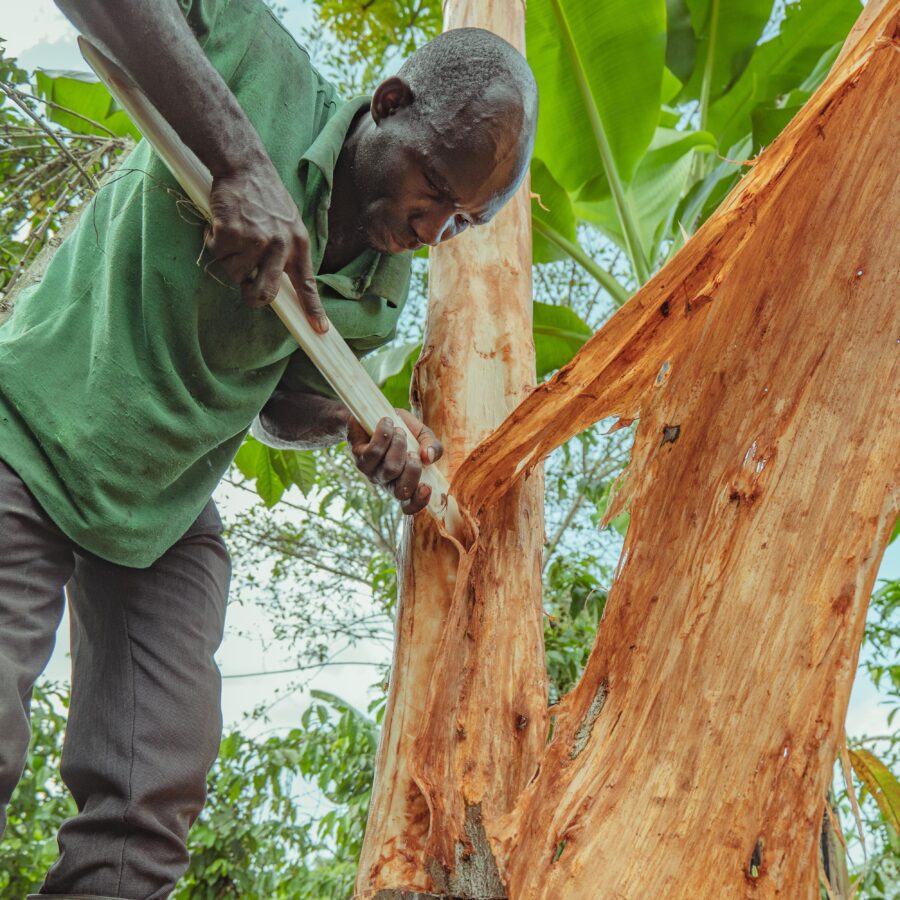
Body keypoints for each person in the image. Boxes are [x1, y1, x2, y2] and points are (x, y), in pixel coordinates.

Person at [0, 0, 537, 896]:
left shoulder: (381, 282)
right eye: (437, 190)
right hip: (31, 427)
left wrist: (356, 425)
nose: (435, 230)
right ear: (391, 101)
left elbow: (278, 406)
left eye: (465, 222)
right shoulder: (256, 61)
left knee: (146, 810)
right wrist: (240, 162)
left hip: (164, 507)